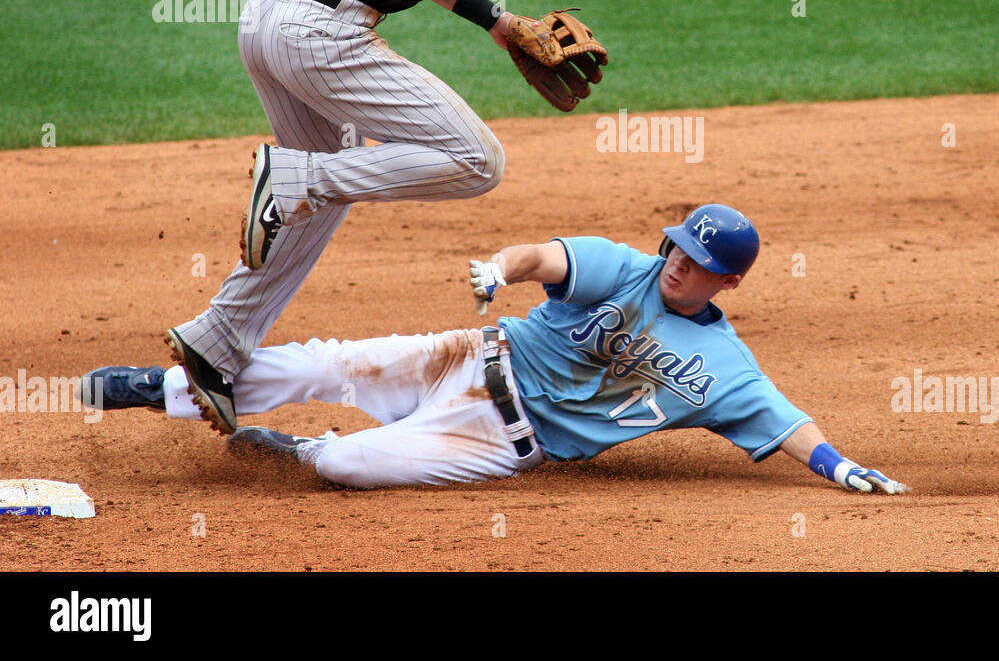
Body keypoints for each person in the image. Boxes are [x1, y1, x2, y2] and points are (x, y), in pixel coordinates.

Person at [166, 0, 563, 437]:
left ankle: (218, 340)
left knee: (329, 186)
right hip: (322, 37)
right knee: (477, 160)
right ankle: (296, 181)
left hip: (267, 18)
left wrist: (497, 24)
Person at [83, 206, 911, 495]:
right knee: (322, 362)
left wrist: (840, 467)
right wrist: (500, 268)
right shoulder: (630, 267)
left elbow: (785, 421)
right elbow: (548, 258)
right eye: (677, 249)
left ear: (726, 283)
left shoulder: (728, 370)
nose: (678, 265)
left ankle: (297, 452)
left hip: (499, 443)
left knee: (347, 467)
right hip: (469, 355)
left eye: (697, 265)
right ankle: (160, 388)